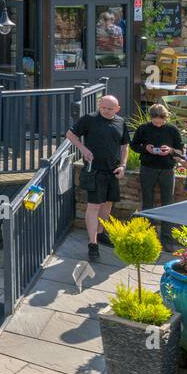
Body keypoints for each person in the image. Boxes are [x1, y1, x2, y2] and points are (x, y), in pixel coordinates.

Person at [66, 94, 131, 262]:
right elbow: (70, 134)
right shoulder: (89, 119)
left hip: (113, 170)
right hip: (94, 170)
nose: (106, 111)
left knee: (107, 204)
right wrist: (83, 149)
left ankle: (101, 233)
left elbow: (125, 146)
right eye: (103, 108)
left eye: (110, 109)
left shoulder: (120, 122)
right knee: (93, 206)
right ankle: (92, 244)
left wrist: (123, 165)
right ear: (99, 106)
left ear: (117, 109)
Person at [131, 103, 185, 246]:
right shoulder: (143, 128)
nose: (158, 125)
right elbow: (133, 145)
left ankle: (166, 238)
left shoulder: (172, 130)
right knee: (147, 201)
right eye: (155, 122)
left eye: (161, 122)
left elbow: (180, 150)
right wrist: (145, 148)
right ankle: (148, 236)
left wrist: (171, 150)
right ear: (151, 118)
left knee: (167, 202)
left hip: (167, 169)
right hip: (147, 168)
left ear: (165, 118)